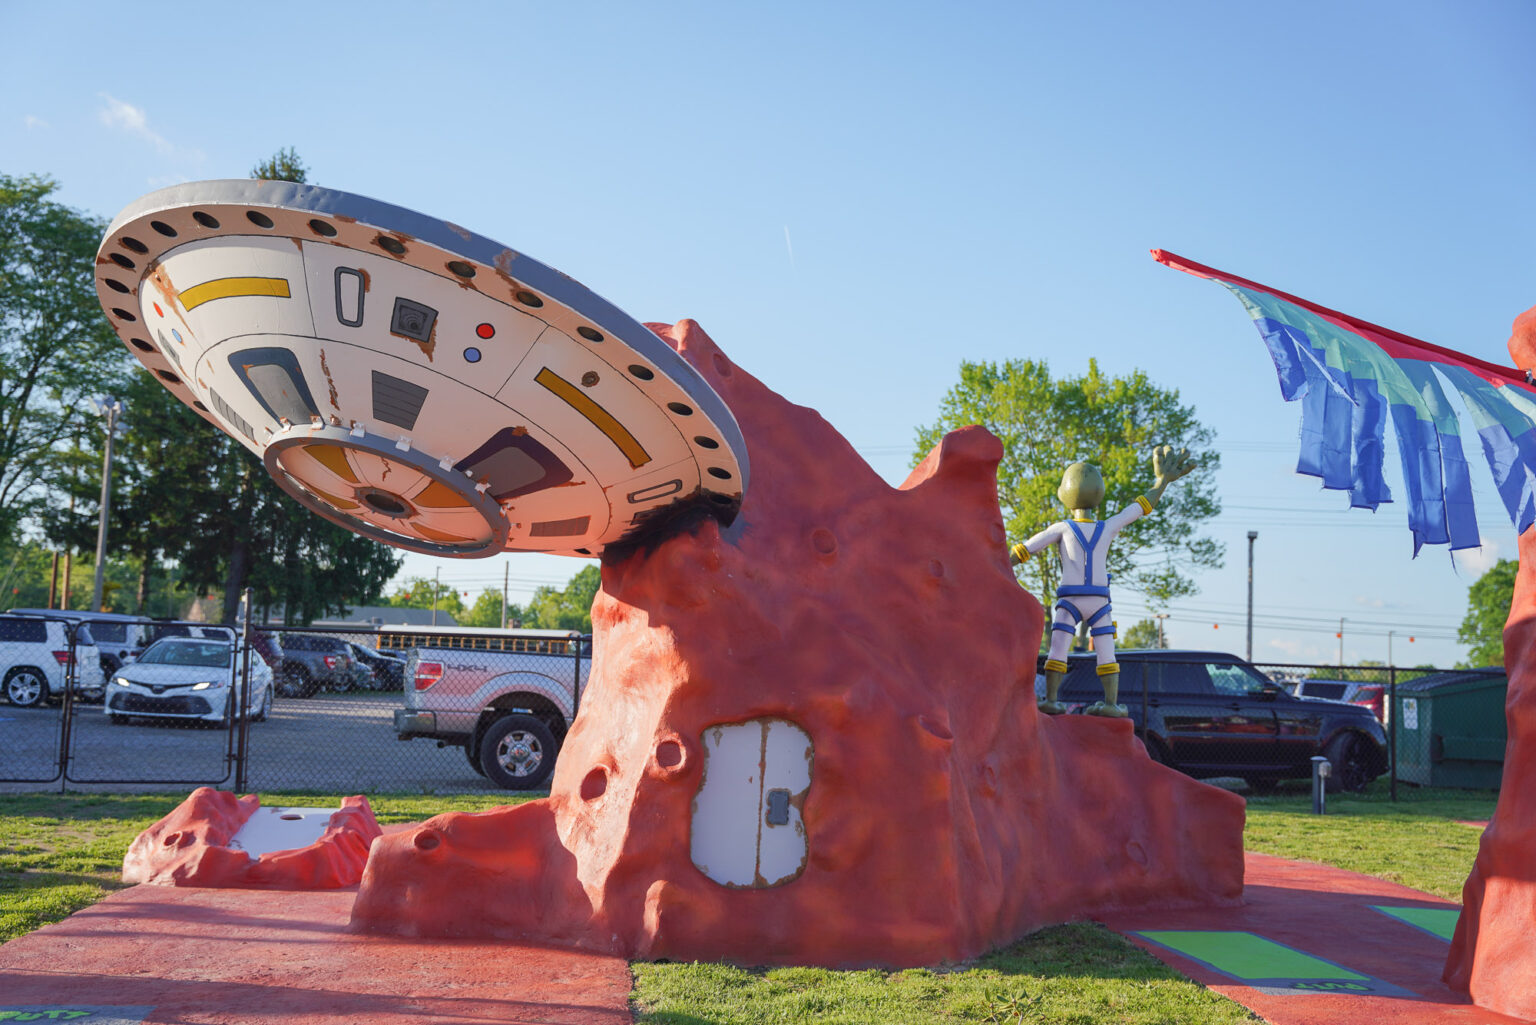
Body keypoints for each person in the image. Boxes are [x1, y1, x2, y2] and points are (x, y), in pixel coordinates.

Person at [1011, 445, 1195, 717]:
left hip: (1069, 600)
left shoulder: (1061, 528)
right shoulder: (1107, 527)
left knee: (1059, 646)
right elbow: (1142, 506)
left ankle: (1051, 699)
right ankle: (1110, 704)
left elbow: (1024, 550)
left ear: (1064, 494)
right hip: (1099, 601)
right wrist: (1162, 481)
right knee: (1106, 652)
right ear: (1099, 495)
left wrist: (996, 561)